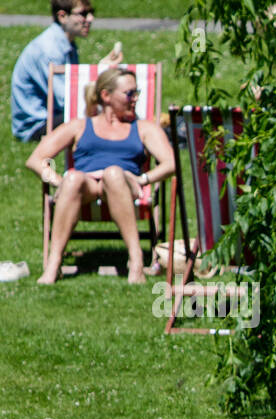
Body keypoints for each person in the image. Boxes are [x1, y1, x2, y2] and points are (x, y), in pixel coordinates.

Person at [25, 66, 174, 284]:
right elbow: (35, 159)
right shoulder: (79, 126)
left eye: (137, 93)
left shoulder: (143, 128)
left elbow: (171, 163)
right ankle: (54, 264)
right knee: (73, 178)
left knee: (113, 174)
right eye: (130, 94)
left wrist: (143, 179)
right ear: (106, 96)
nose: (136, 99)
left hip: (124, 185)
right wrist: (59, 181)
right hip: (84, 185)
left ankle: (136, 261)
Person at [11, 1, 123, 142]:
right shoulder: (49, 49)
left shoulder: (65, 43)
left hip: (55, 115)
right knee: (103, 117)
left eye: (91, 13)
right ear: (62, 16)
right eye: (82, 14)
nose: (90, 19)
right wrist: (99, 73)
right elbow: (68, 101)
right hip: (36, 126)